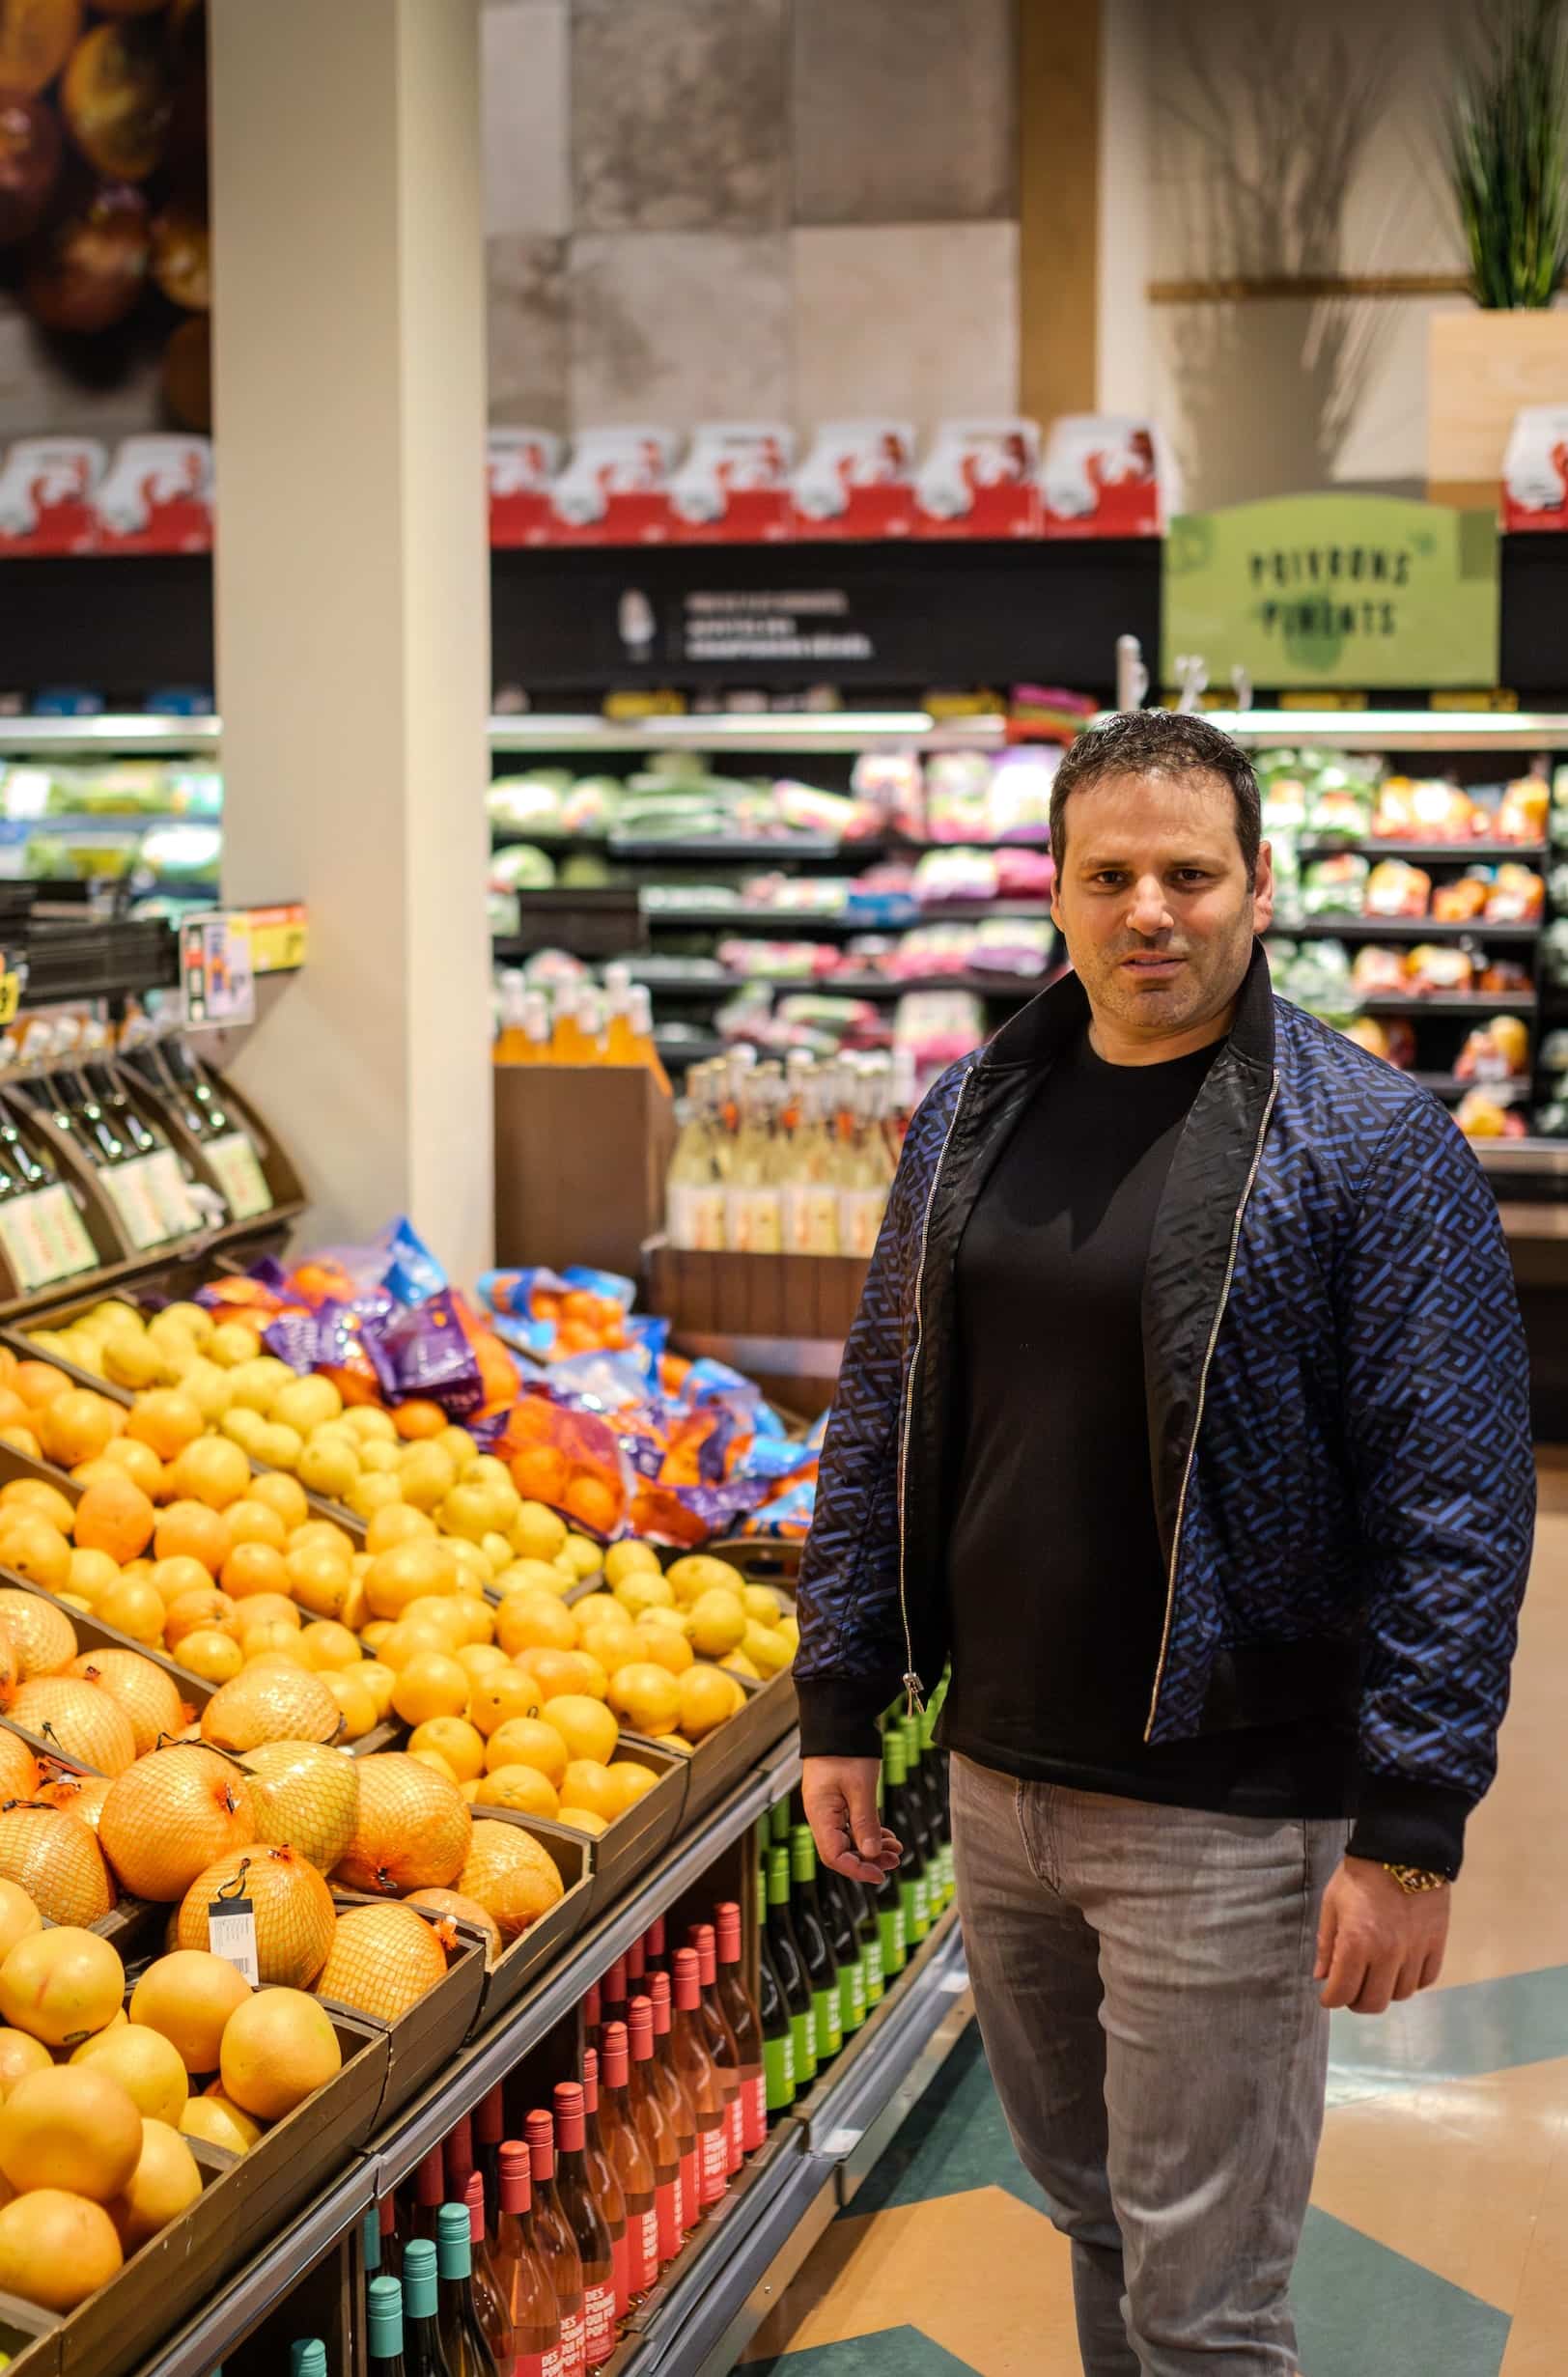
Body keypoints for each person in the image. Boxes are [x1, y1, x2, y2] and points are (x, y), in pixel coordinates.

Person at [795, 710, 1534, 2376]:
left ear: (1258, 890)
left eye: (1189, 874)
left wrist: (1412, 1821)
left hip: (1227, 1802)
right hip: (1002, 1778)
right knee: (1097, 2218)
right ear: (1054, 892)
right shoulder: (973, 1108)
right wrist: (842, 1685)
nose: (1150, 909)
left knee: (1207, 2300)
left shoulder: (1372, 1145)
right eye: (1109, 873)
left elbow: (1460, 1500)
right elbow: (884, 1401)